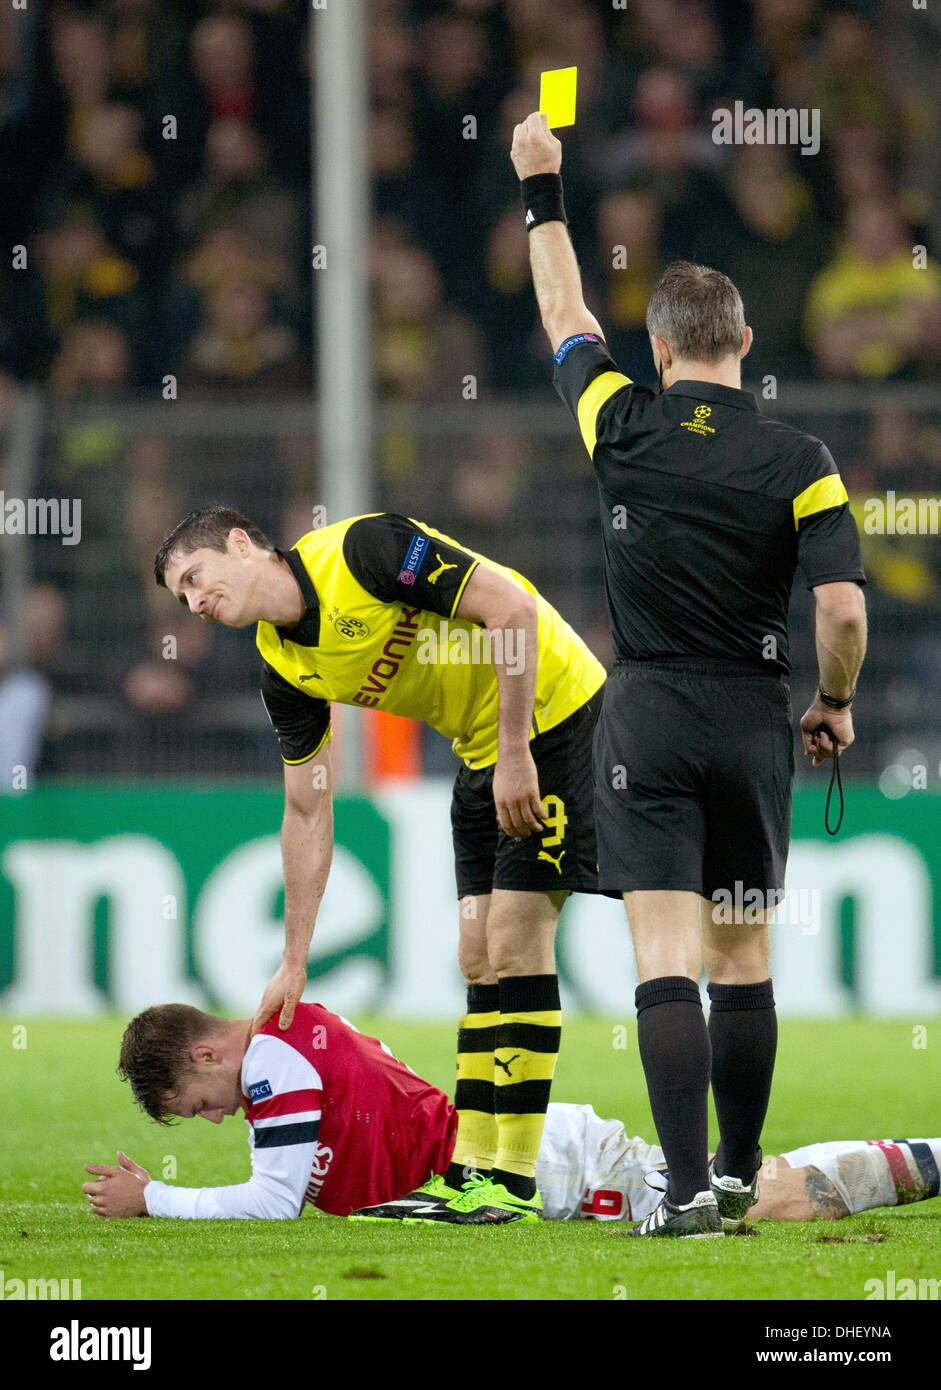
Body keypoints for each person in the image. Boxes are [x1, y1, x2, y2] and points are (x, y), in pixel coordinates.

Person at [511, 112, 868, 1236]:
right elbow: (843, 608)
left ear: (659, 349)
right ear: (745, 339)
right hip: (753, 717)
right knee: (743, 949)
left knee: (661, 953)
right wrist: (834, 702)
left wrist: (540, 187)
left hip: (648, 710)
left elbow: (564, 312)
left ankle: (678, 1195)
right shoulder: (800, 461)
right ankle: (732, 1167)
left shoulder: (620, 423)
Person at [153, 507, 606, 1223]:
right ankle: (470, 1171)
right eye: (182, 599)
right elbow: (307, 810)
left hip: (554, 716)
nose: (195, 604)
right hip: (481, 752)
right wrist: (293, 960)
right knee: (477, 955)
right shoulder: (285, 670)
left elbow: (513, 611)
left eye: (194, 579)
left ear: (241, 544)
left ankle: (511, 1182)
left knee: (516, 944)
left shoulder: (363, 551)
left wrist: (518, 750)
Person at [82, 1001, 941, 1231]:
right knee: (745, 1189)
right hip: (525, 1158)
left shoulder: (270, 1063)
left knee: (763, 1196)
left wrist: (154, 1198)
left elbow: (272, 1202)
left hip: (545, 1169)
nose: (213, 1121)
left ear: (205, 1055)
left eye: (199, 1107)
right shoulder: (286, 1039)